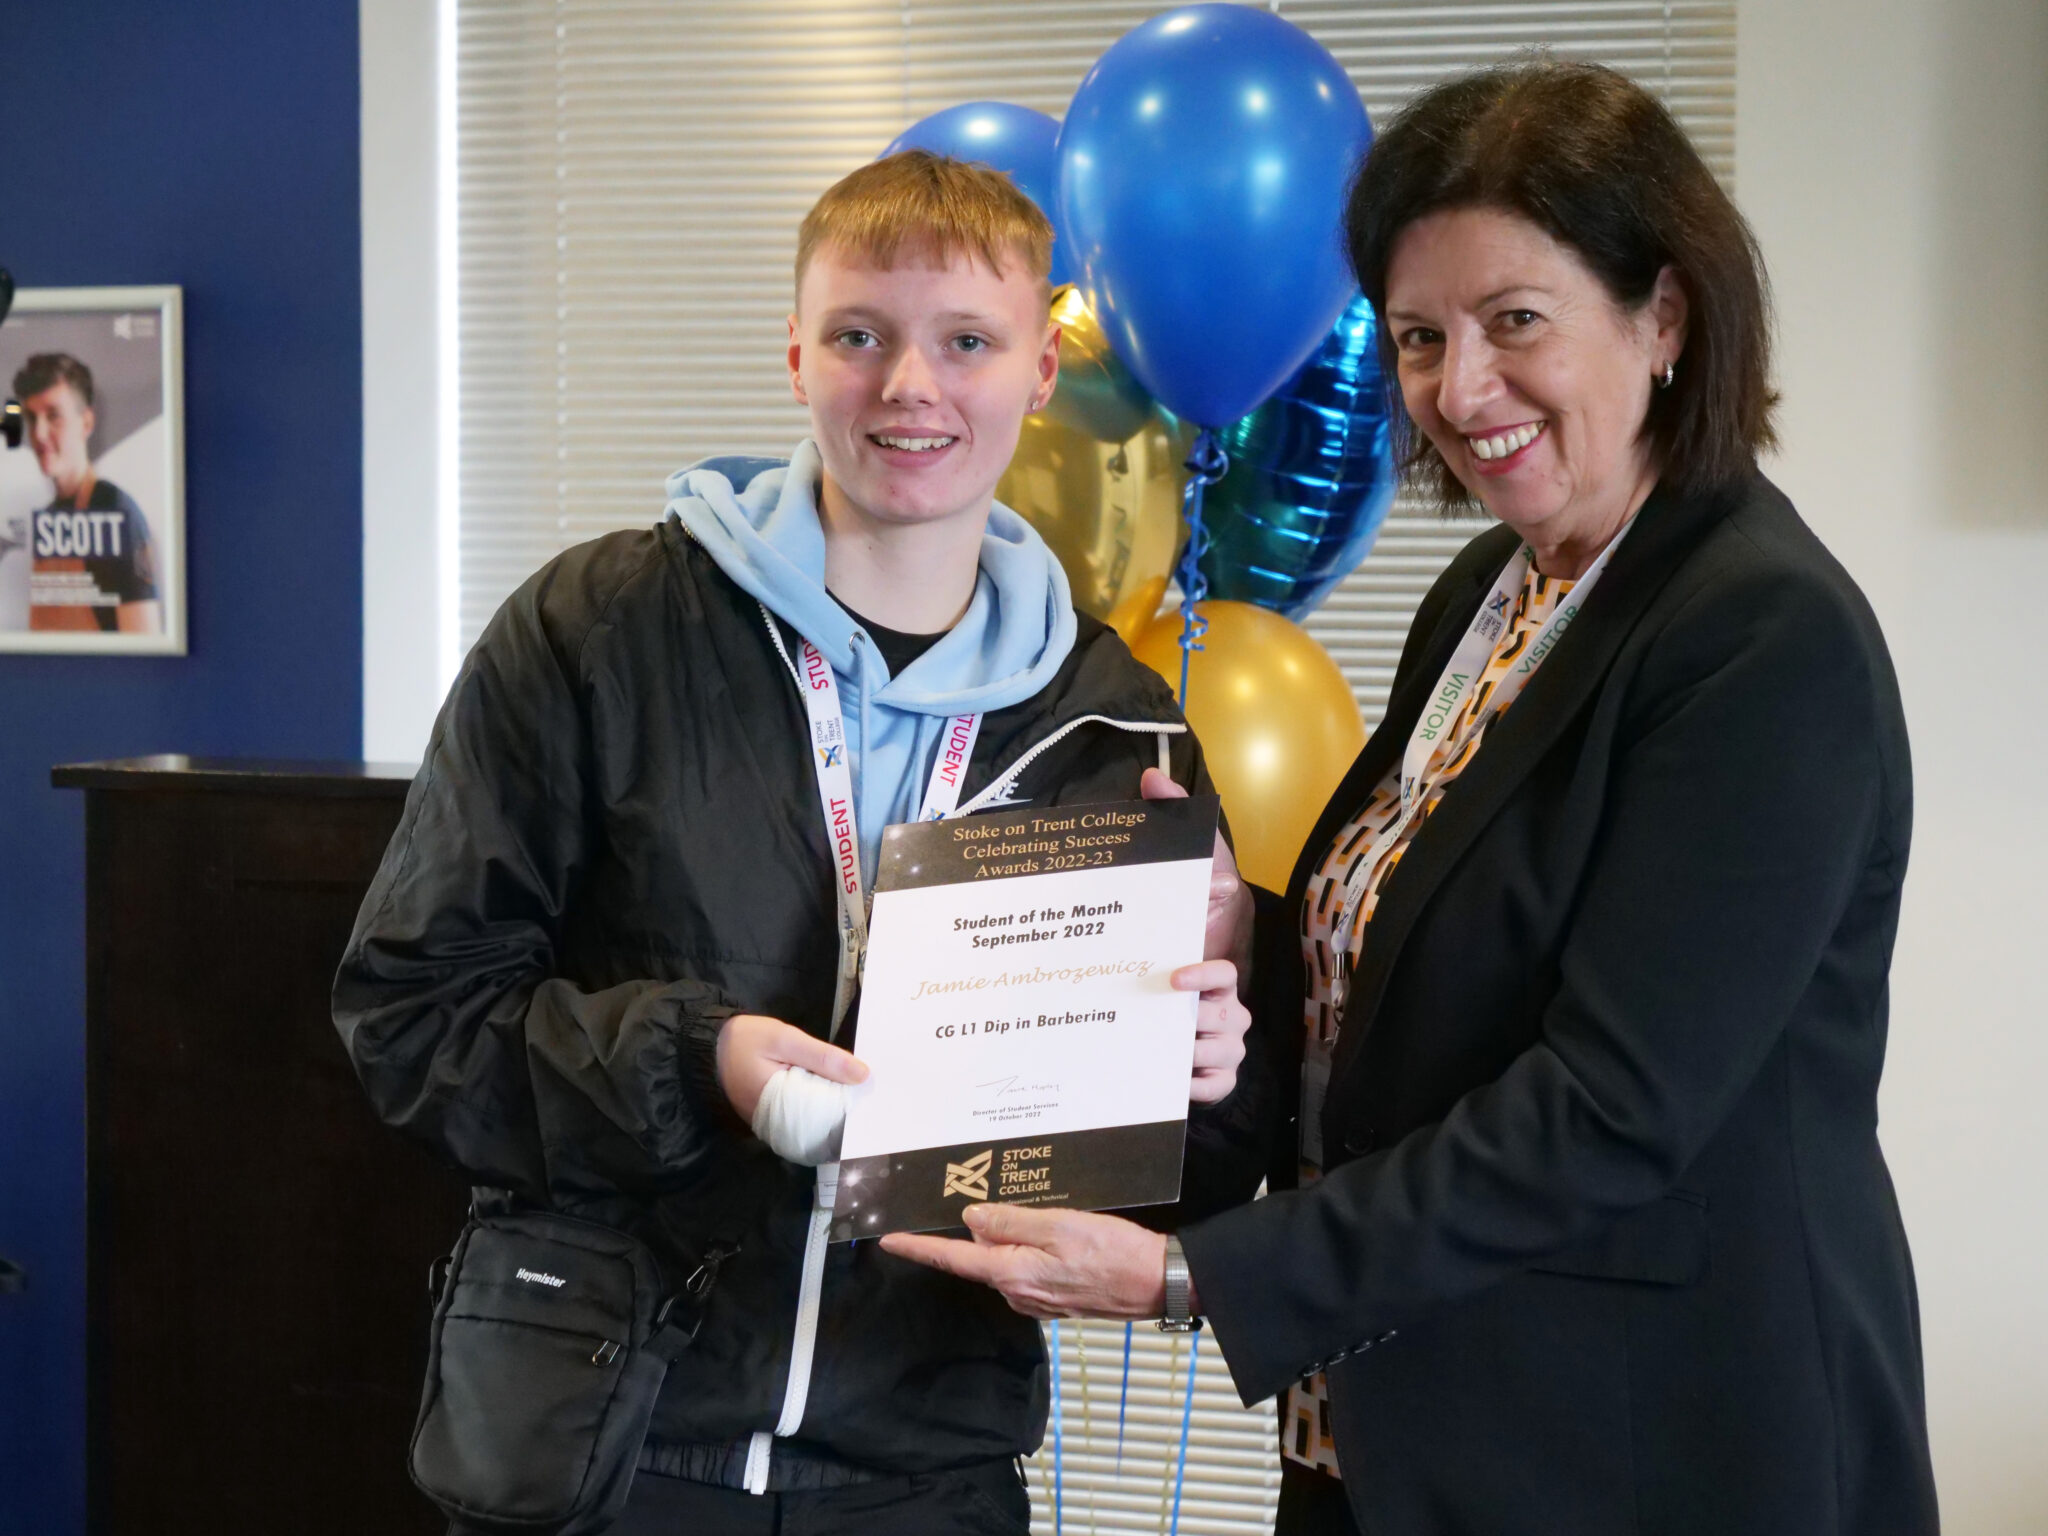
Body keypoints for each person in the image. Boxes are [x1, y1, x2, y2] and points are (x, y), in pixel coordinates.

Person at [882, 61, 1940, 1536]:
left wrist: (1199, 1278)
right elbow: (1386, 984)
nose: (1460, 390)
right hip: (1391, 1429)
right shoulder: (1489, 596)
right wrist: (1202, 940)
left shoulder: (1761, 635)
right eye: (1420, 337)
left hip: (1647, 1447)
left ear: (1666, 317)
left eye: (1516, 323)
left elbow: (1611, 1110)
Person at [332, 150, 1258, 1535]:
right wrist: (697, 1060)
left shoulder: (1117, 730)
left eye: (966, 342)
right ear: (795, 354)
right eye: (860, 336)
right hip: (605, 1454)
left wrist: (1200, 1083)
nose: (910, 388)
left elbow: (1172, 1178)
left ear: (1039, 375)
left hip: (928, 1474)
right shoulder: (598, 632)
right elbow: (411, 1021)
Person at [12, 351, 162, 633]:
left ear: (87, 423)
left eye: (53, 416)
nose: (39, 434)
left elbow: (144, 649)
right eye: (32, 418)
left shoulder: (116, 512)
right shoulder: (48, 519)